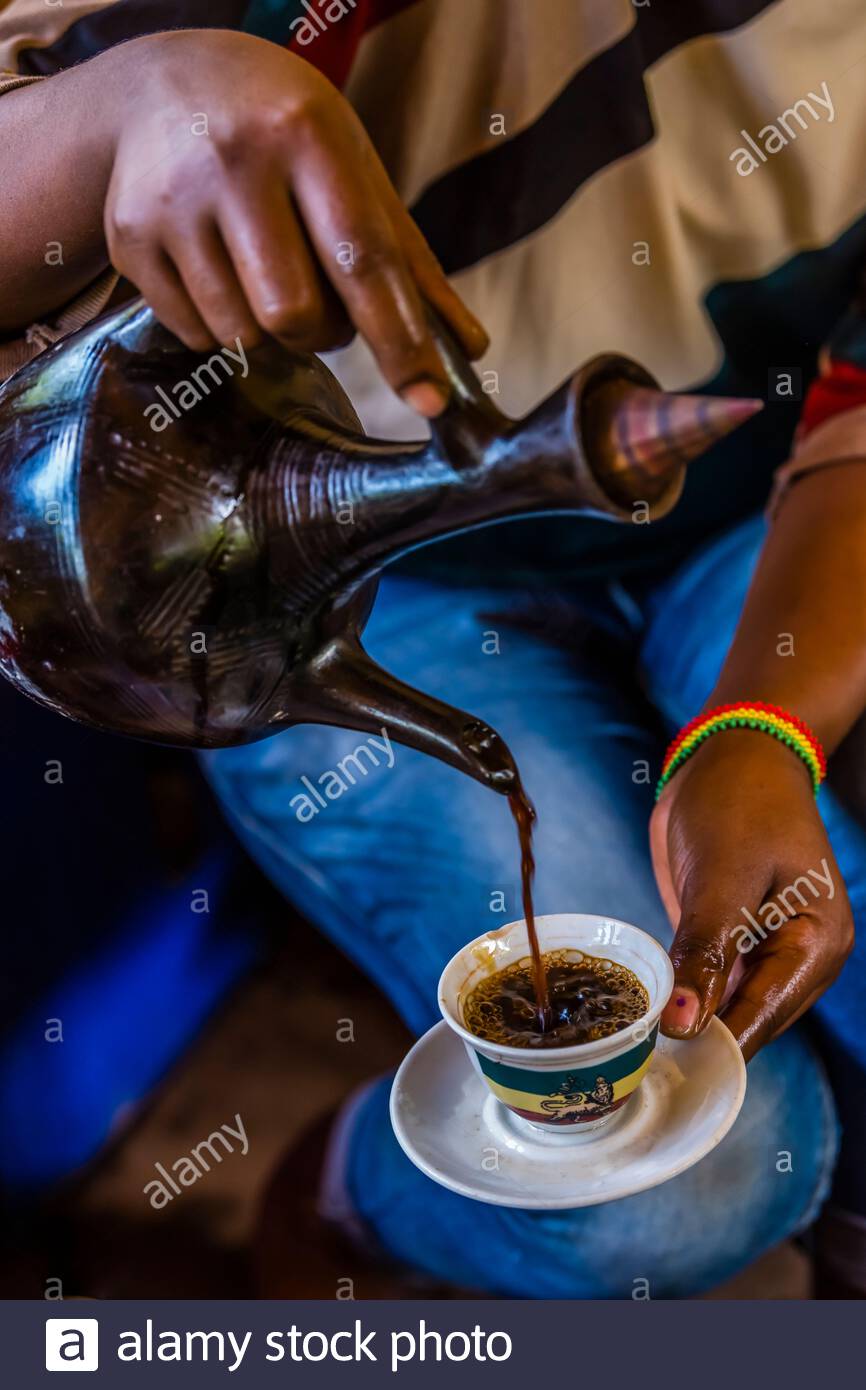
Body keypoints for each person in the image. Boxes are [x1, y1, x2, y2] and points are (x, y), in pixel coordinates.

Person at [2, 0, 865, 1296]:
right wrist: (124, 105)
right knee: (690, 1175)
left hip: (774, 504)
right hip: (341, 592)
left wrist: (759, 726)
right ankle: (349, 1209)